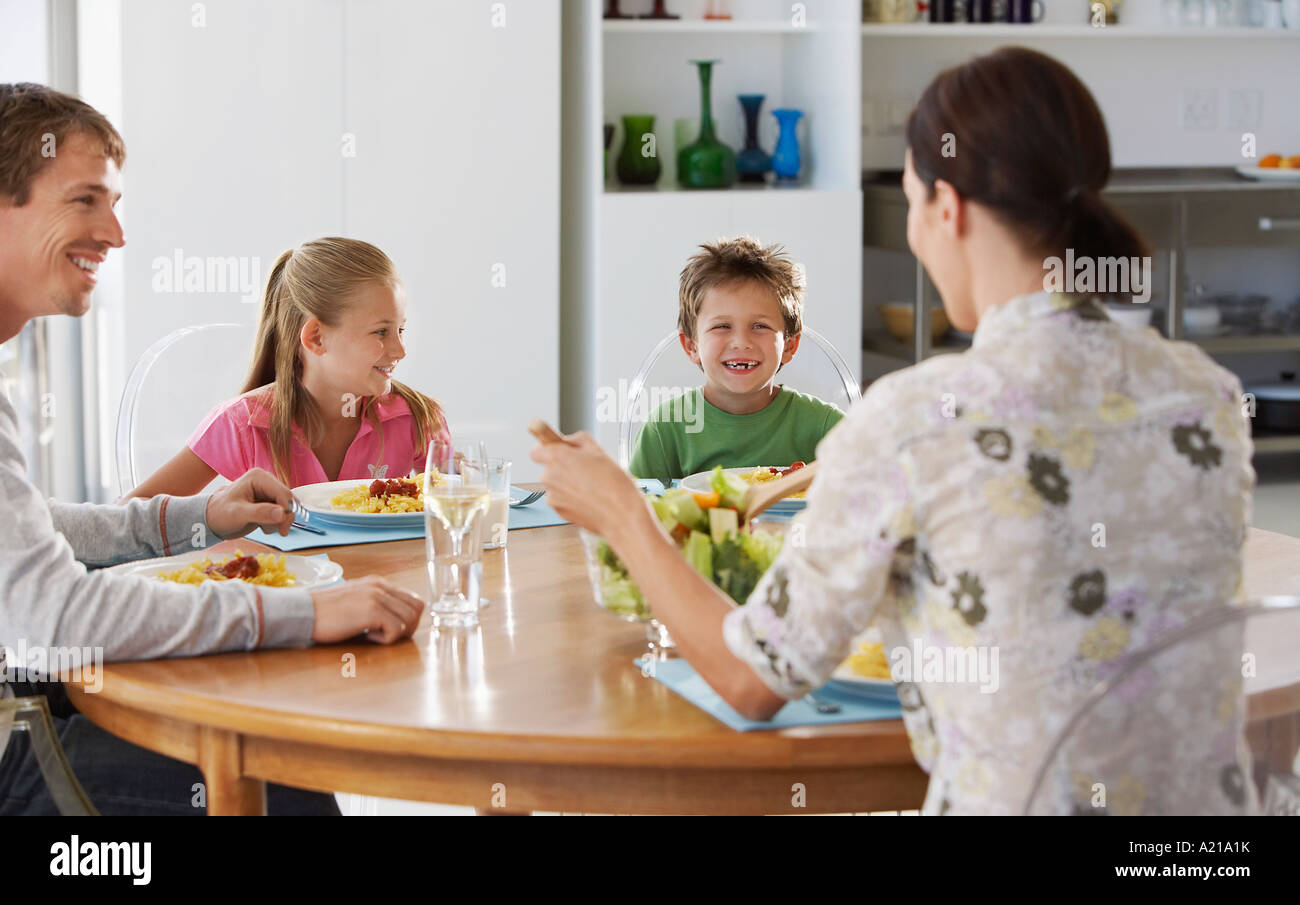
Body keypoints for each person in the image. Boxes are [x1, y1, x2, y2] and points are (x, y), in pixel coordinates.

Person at [533, 47, 1256, 815]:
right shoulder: (1208, 393)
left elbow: (755, 678)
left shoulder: (915, 420)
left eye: (912, 203)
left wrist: (622, 514)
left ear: (948, 208)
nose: (914, 232)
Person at [0, 82, 424, 815]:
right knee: (285, 785)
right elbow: (56, 616)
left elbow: (29, 529)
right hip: (17, 748)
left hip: (30, 707)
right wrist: (306, 612)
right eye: (85, 200)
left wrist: (195, 517)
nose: (116, 234)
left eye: (115, 204)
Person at [126, 237, 450, 498]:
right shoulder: (243, 425)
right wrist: (210, 515)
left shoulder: (420, 420)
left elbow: (448, 529)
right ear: (316, 337)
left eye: (400, 330)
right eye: (381, 331)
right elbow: (128, 518)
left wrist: (462, 490)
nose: (400, 350)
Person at [627, 236, 843, 486]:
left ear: (790, 345)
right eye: (722, 326)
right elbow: (637, 513)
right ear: (691, 346)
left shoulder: (828, 429)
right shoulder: (665, 431)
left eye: (760, 326)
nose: (741, 342)